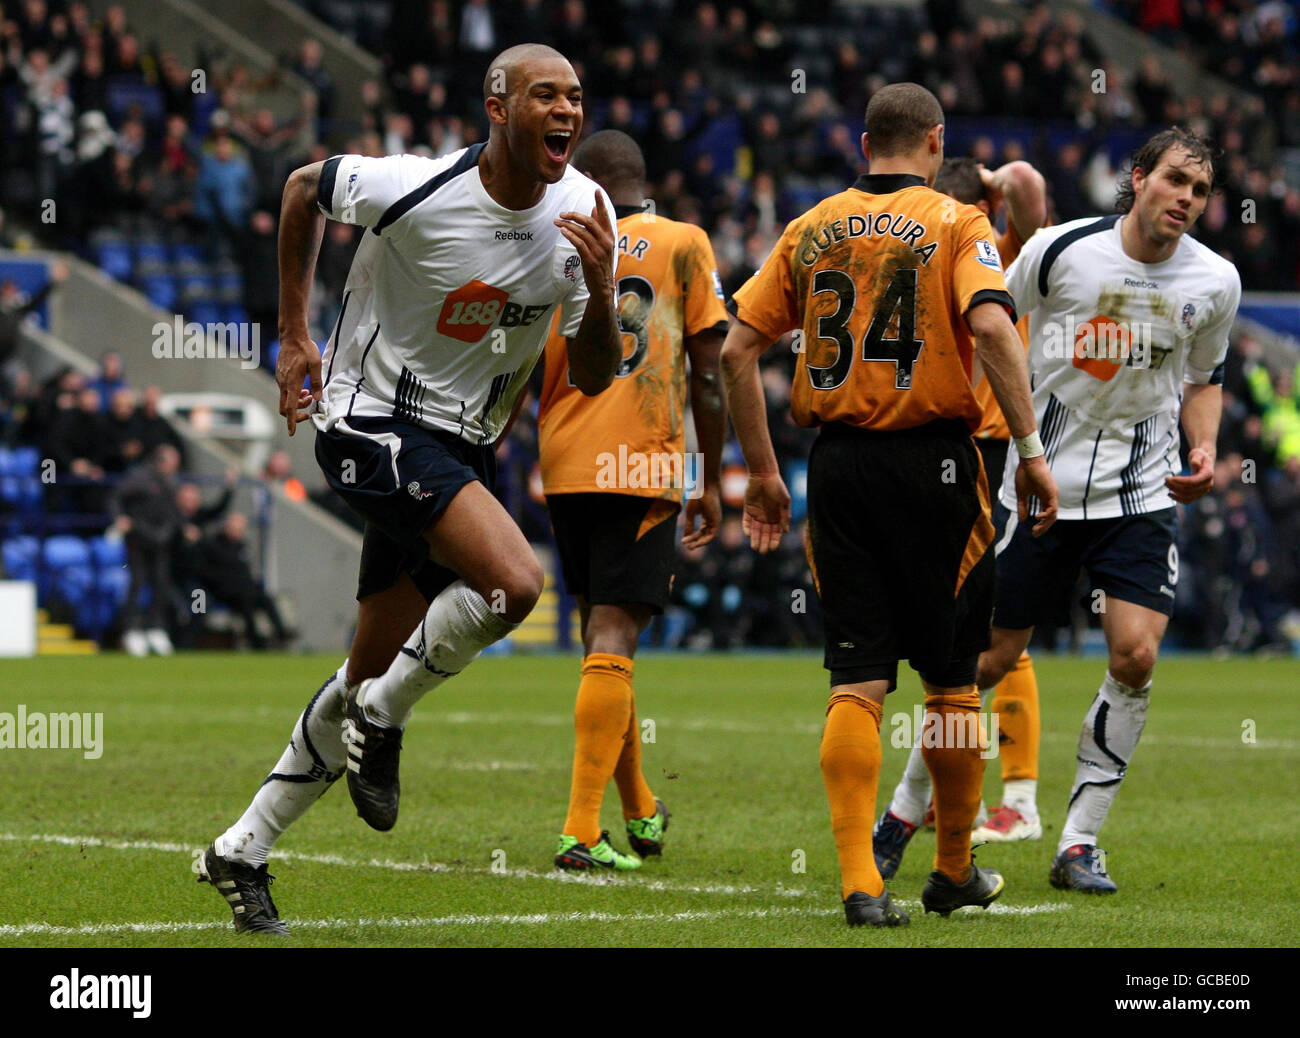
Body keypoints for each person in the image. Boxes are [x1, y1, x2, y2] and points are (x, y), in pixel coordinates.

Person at [197, 43, 621, 935]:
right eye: (546, 95)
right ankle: (386, 719)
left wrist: (604, 286)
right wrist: (294, 335)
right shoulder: (414, 187)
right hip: (369, 423)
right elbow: (302, 188)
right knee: (516, 583)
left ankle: (241, 847)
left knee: (362, 668)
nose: (567, 111)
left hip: (462, 451)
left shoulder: (587, 210)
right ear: (498, 107)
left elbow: (592, 371)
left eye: (577, 98)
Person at [719, 82, 1058, 928]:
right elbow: (990, 329)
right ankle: (950, 869)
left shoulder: (808, 227)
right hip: (936, 464)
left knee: (856, 677)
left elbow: (734, 349)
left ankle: (859, 884)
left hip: (835, 469)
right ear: (935, 141)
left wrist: (761, 473)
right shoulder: (956, 223)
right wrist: (1029, 451)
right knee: (950, 678)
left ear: (864, 141)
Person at [969, 127, 1240, 892]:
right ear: (1139, 178)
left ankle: (1078, 842)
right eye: (1176, 180)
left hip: (1141, 492)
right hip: (1042, 485)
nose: (1186, 197)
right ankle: (905, 812)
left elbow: (1205, 375)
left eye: (1201, 189)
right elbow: (986, 322)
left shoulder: (1215, 280)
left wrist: (1203, 447)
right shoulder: (1061, 249)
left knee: (1137, 655)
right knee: (985, 660)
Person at [537, 130, 728, 871]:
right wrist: (707, 475)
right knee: (614, 639)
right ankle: (581, 831)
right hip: (639, 462)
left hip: (564, 462)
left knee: (601, 641)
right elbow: (709, 372)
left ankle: (640, 811)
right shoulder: (683, 241)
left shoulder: (550, 242)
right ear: (642, 179)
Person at [874, 155, 1051, 876]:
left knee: (986, 642)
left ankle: (995, 801)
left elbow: (1033, 203)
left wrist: (997, 173)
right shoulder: (949, 246)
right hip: (940, 448)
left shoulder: (988, 244)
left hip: (995, 452)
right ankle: (962, 804)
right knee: (963, 642)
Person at [112, 443, 184, 657]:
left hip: (161, 541)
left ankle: (155, 627)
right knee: (137, 582)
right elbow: (115, 498)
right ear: (161, 461)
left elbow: (174, 512)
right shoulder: (139, 478)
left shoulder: (171, 484)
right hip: (138, 539)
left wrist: (182, 527)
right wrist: (120, 518)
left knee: (161, 584)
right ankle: (132, 629)